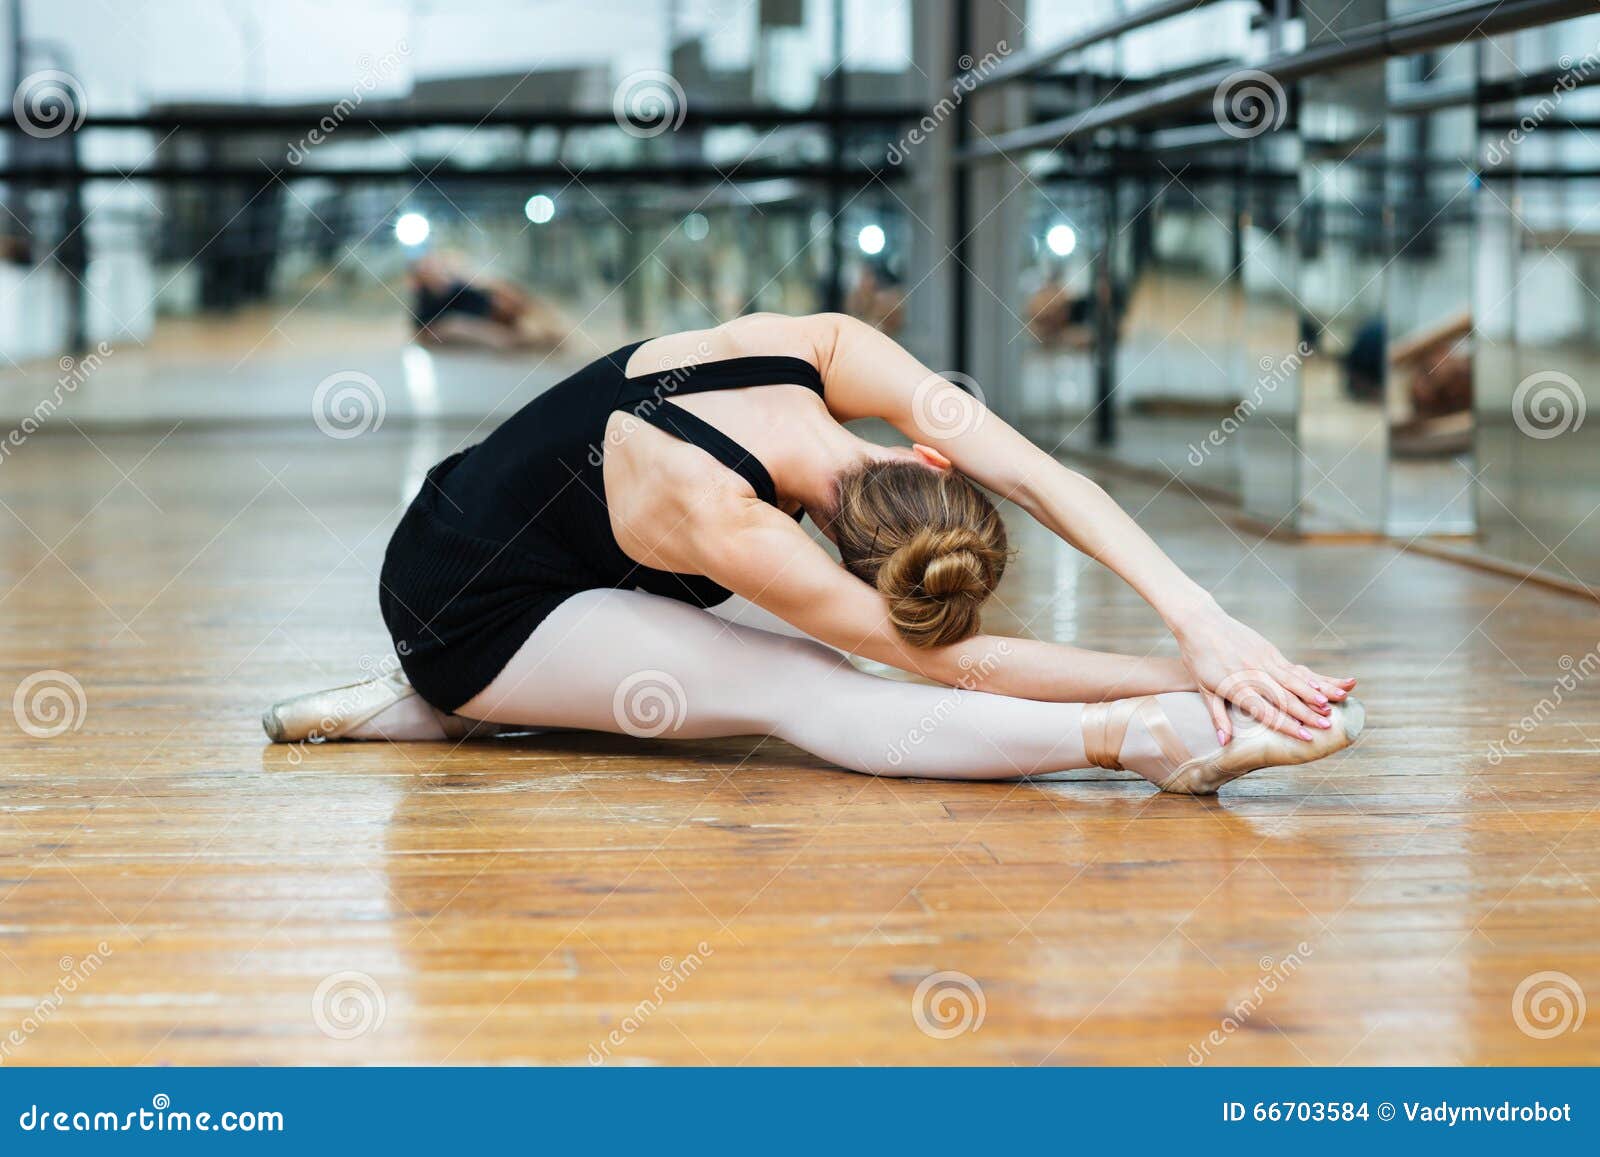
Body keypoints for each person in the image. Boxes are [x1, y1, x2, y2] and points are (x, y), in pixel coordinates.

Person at [263, 313, 1360, 794]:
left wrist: (1199, 617)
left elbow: (1036, 472)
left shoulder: (816, 348)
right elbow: (947, 666)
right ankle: (1143, 742)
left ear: (931, 455)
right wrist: (1179, 675)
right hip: (467, 597)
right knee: (799, 685)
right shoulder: (719, 516)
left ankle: (449, 710)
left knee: (770, 657)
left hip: (546, 539)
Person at [406, 252, 567, 350]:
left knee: (501, 289)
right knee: (456, 326)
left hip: (486, 311)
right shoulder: (425, 301)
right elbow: (424, 330)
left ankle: (550, 332)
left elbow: (486, 287)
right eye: (427, 270)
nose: (434, 272)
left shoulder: (458, 285)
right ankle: (519, 341)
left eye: (433, 267)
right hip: (467, 323)